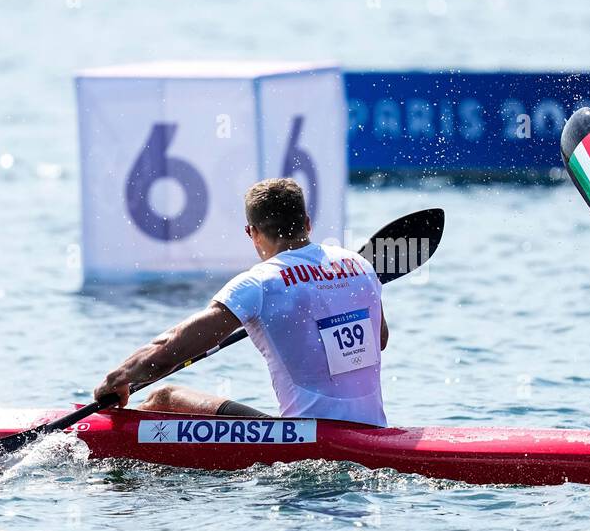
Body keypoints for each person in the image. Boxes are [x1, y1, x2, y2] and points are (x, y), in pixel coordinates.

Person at [94, 178, 388, 426]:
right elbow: (380, 339)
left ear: (252, 233)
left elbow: (168, 351)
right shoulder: (359, 265)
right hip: (374, 430)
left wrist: (117, 378)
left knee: (164, 398)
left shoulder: (258, 283)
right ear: (308, 224)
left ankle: (108, 434)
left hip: (306, 439)